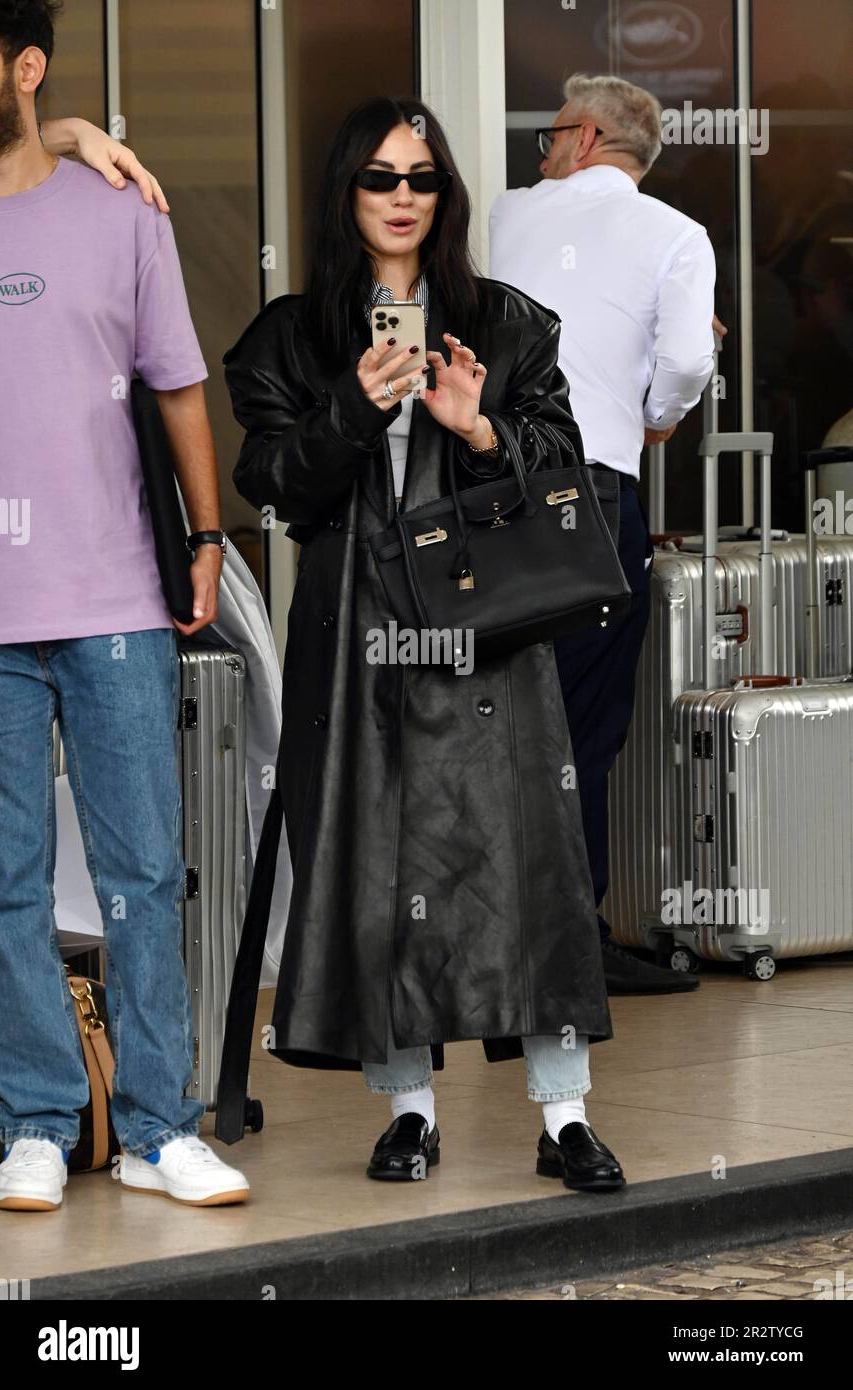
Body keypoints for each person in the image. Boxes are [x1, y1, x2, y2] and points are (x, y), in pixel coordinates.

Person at [219, 96, 623, 1191]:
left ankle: (565, 1114)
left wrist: (482, 428)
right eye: (381, 177)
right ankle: (408, 1109)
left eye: (423, 178)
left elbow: (567, 474)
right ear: (346, 191)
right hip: (357, 633)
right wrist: (351, 408)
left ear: (443, 196)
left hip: (486, 630)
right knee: (374, 858)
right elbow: (268, 482)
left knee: (525, 859)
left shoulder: (504, 322)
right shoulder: (296, 335)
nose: (403, 197)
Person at [0, 0, 248, 1210]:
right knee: (4, 878)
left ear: (22, 65)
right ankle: (36, 1121)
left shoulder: (118, 213)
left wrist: (206, 537)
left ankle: (158, 1126)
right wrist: (81, 127)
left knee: (148, 869)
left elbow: (182, 389)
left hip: (114, 599)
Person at [490, 73, 716, 995]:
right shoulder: (676, 235)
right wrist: (654, 411)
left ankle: (491, 929)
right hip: (590, 491)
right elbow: (689, 358)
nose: (540, 153)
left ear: (584, 140)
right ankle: (568, 939)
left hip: (489, 490)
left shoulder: (508, 215)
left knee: (495, 711)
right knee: (584, 719)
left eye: (549, 135)